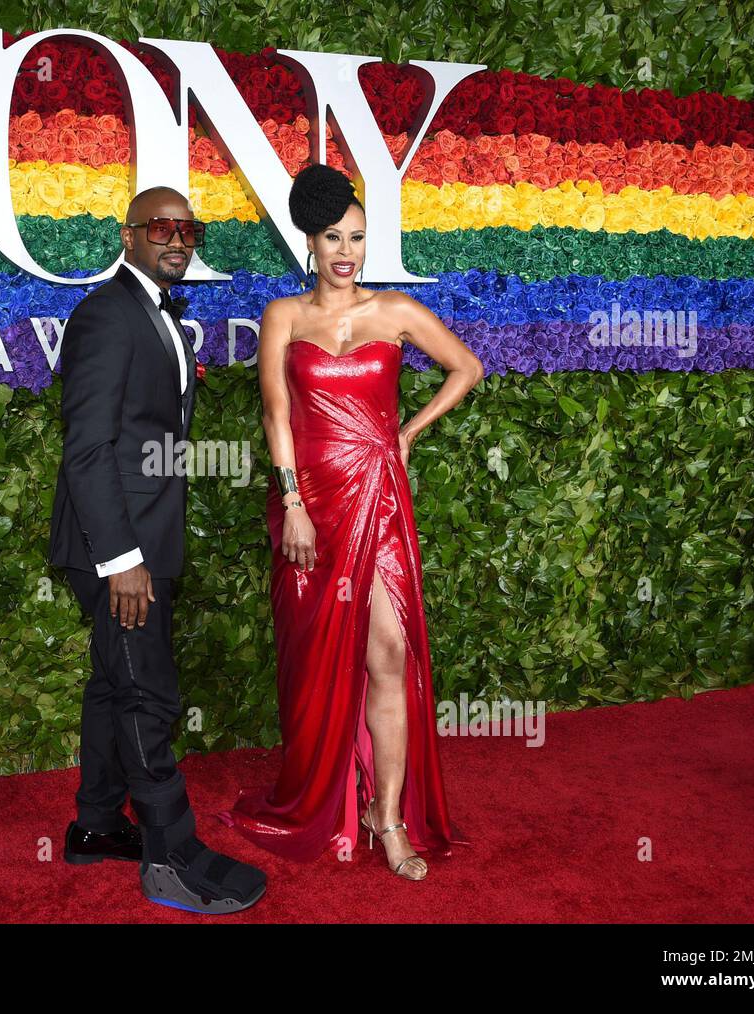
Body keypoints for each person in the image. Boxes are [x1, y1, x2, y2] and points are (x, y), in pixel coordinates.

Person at [216, 163, 482, 880]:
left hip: (379, 496)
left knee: (389, 652)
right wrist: (293, 502)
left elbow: (467, 368)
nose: (346, 251)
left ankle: (387, 816)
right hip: (313, 504)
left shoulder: (394, 312)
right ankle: (325, 795)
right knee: (319, 663)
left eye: (358, 238)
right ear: (310, 240)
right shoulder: (284, 316)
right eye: (334, 236)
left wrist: (408, 433)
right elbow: (276, 414)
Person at [49, 186, 268, 913]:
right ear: (129, 235)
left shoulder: (155, 313)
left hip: (144, 541)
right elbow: (86, 451)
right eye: (162, 227)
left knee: (114, 686)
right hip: (118, 551)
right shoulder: (107, 316)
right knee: (147, 694)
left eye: (188, 229)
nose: (178, 239)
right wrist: (122, 560)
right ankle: (171, 854)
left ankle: (97, 826)